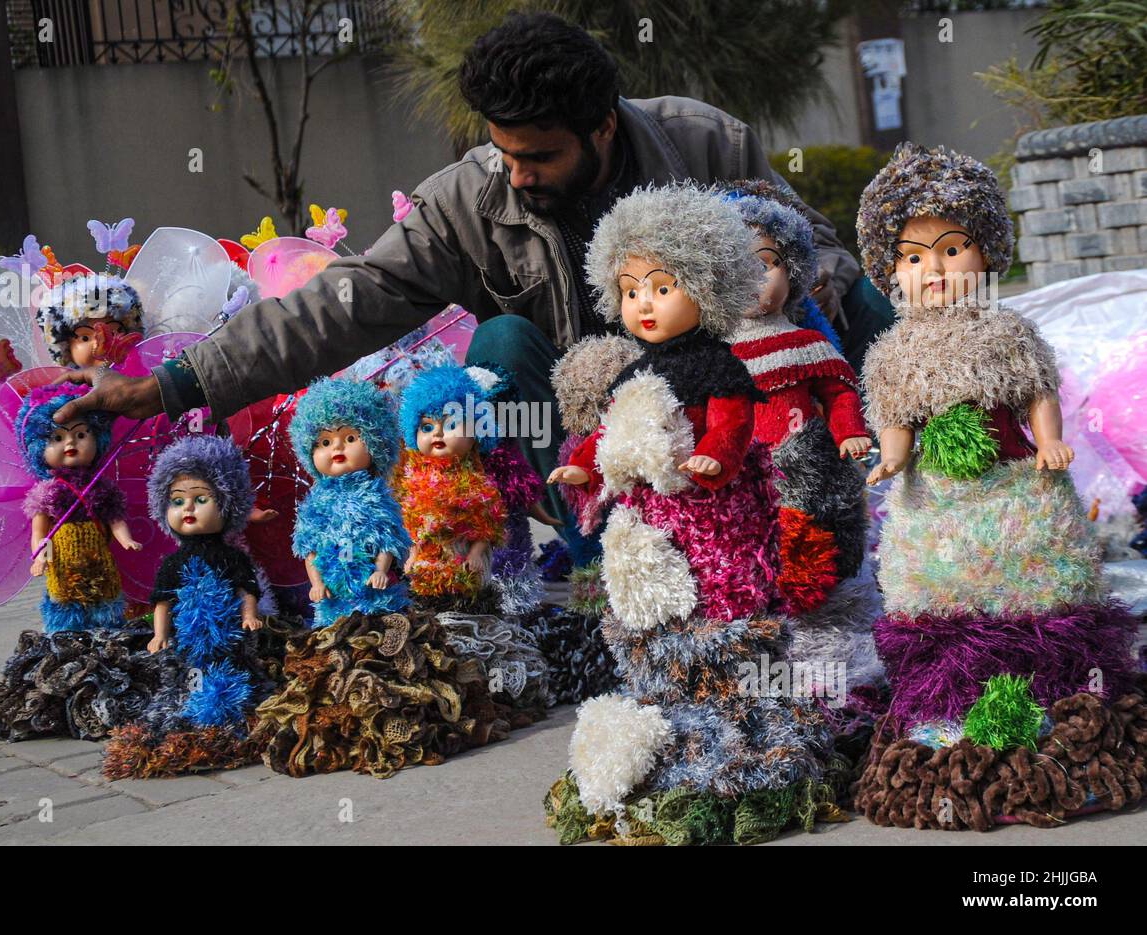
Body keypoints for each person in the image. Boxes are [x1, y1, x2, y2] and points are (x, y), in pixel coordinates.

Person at [54, 12, 892, 561]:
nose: (517, 175)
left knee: (864, 304)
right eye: (504, 152)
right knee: (498, 346)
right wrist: (167, 384)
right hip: (589, 438)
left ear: (600, 127)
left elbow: (815, 248)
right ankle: (608, 553)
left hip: (734, 414)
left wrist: (778, 282)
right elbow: (337, 306)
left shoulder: (703, 145)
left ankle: (887, 513)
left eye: (539, 157)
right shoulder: (467, 200)